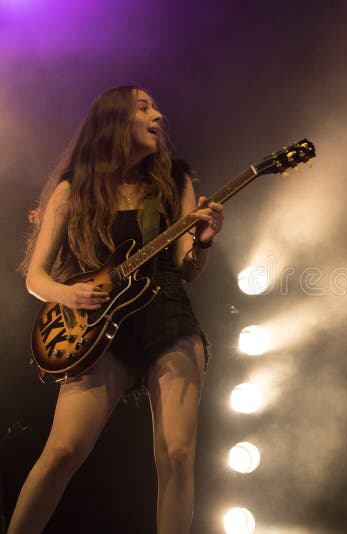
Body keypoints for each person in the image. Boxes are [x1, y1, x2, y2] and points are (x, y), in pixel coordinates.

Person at [12, 85, 224, 534]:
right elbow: (36, 278)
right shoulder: (73, 189)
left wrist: (203, 242)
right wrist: (69, 295)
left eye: (156, 107)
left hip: (167, 316)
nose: (158, 115)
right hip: (96, 324)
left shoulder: (175, 180)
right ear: (113, 121)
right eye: (144, 107)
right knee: (63, 451)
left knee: (178, 454)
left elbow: (187, 268)